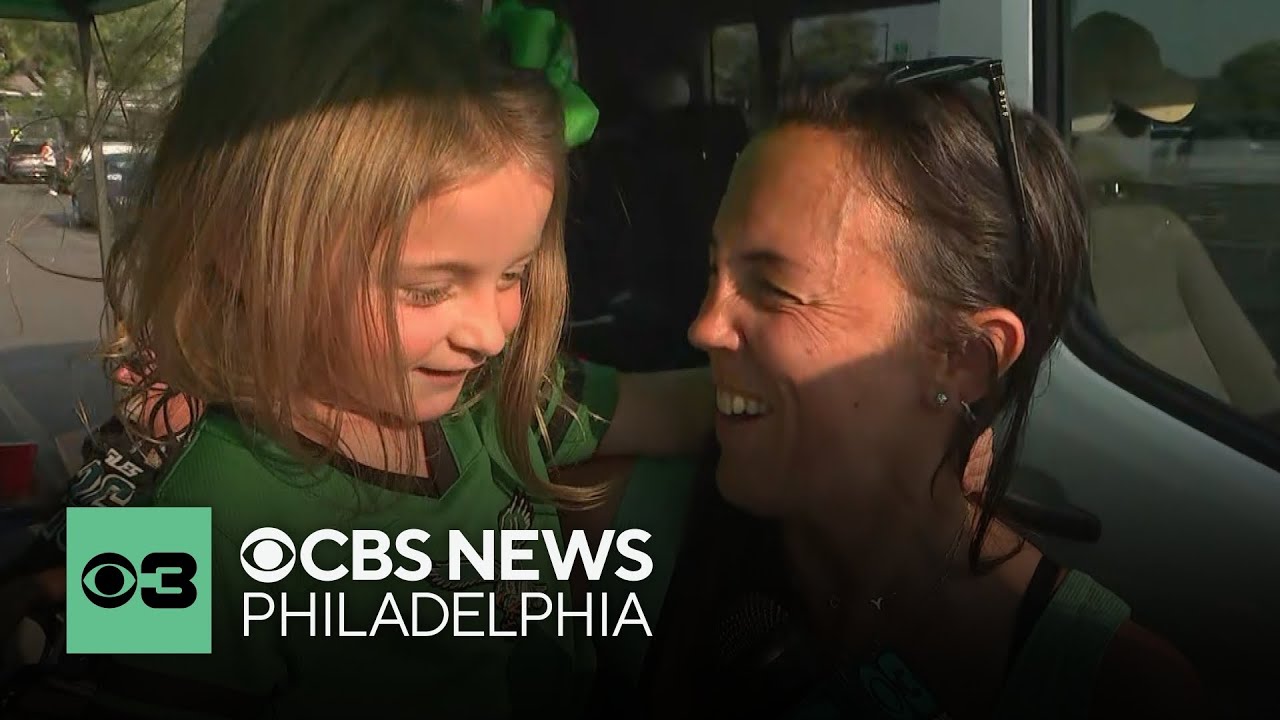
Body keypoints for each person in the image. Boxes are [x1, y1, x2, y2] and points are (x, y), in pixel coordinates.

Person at [0, 1, 714, 718]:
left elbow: (688, 408)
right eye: (427, 289)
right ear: (246, 256)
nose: (491, 335)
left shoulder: (504, 397)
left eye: (513, 275)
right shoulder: (193, 517)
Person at [677, 62, 1205, 719]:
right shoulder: (648, 541)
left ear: (964, 358)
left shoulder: (1121, 692)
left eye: (775, 289)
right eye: (713, 269)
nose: (704, 326)